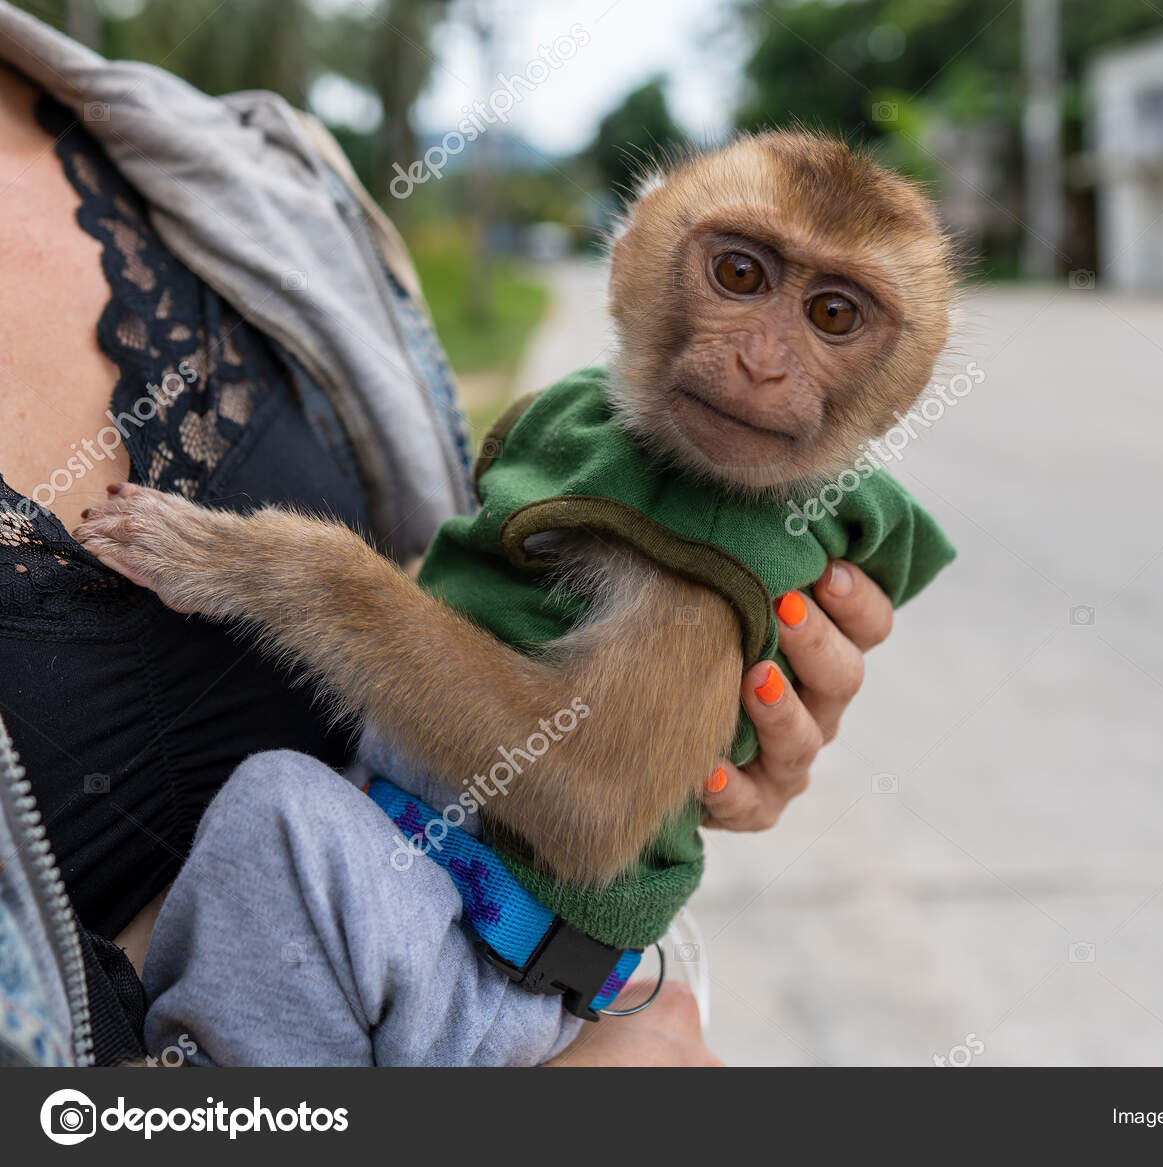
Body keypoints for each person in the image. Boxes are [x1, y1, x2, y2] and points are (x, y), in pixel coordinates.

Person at [0, 3, 893, 1065]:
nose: (763, 362)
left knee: (280, 813)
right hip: (387, 957)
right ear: (631, 253)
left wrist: (308, 579)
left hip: (448, 963)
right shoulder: (588, 445)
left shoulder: (261, 173)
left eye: (836, 317)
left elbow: (591, 805)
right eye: (739, 276)